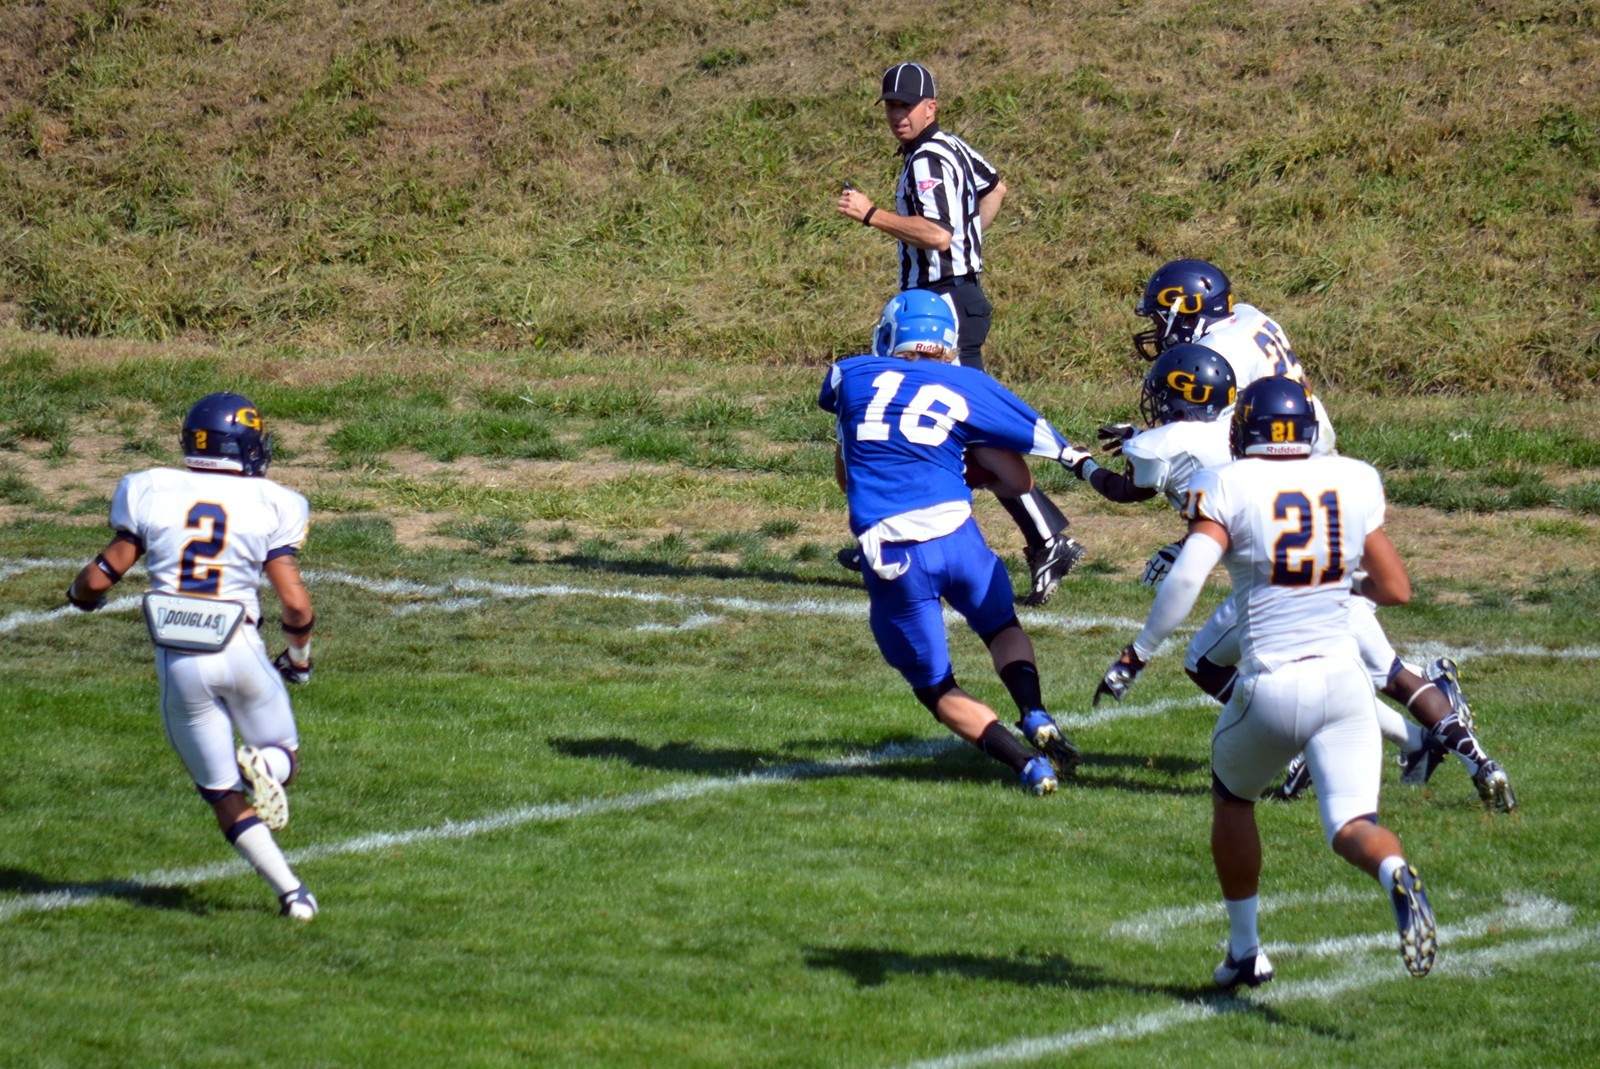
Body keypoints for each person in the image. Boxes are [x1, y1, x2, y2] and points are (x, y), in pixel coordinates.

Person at [1111, 262, 1515, 811]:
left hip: (1281, 517)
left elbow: (1217, 449)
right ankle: (1464, 753)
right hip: (1325, 495)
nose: (1156, 327)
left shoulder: (1221, 369)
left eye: (1162, 313)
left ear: (1188, 308)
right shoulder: (1249, 318)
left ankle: (1303, 746)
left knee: (1233, 661)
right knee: (1381, 667)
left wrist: (1187, 529)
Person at [1092, 377, 1438, 986]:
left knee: (1233, 799)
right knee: (1352, 826)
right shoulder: (1353, 477)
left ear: (1243, 429)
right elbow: (1396, 589)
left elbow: (1186, 579)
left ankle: (1246, 951)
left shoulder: (1227, 482)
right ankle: (1393, 872)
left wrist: (1138, 651)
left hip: (1273, 683)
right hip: (1345, 685)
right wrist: (1335, 579)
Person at [818, 290, 1090, 794]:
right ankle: (1033, 711)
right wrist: (966, 468)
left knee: (935, 686)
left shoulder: (851, 377)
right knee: (1000, 625)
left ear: (890, 335)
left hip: (895, 553)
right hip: (958, 537)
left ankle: (1028, 765)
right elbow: (1019, 480)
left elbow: (845, 478)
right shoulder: (965, 385)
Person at [836, 61, 1083, 605]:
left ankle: (1047, 539)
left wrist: (871, 214)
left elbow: (937, 234)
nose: (898, 115)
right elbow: (996, 187)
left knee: (960, 425)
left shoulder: (928, 158)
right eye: (891, 106)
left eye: (907, 105)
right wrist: (970, 241)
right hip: (949, 299)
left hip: (939, 306)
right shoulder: (951, 147)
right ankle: (895, 530)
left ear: (931, 106)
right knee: (934, 421)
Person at [65, 392, 320, 920]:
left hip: (180, 665)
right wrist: (299, 659)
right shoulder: (276, 500)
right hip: (240, 647)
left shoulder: (149, 488)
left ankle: (293, 895)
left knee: (221, 793)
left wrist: (80, 597)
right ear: (247, 445)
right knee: (284, 756)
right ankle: (265, 766)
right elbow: (295, 605)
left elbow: (98, 578)